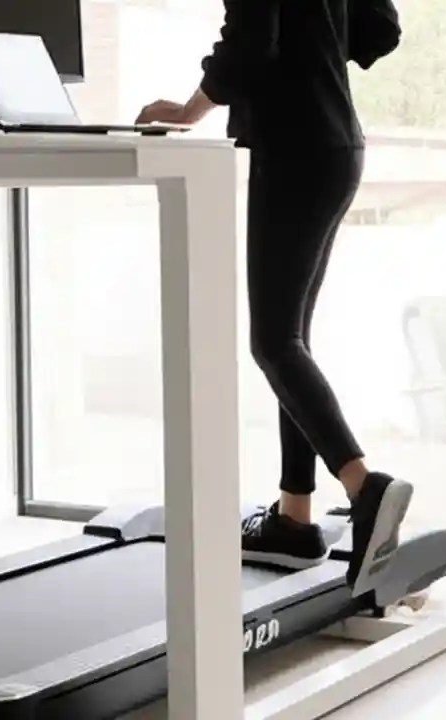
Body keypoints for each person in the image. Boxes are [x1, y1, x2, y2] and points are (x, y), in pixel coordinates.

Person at [136, 0, 408, 595]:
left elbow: (253, 39)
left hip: (295, 147)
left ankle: (366, 487)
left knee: (274, 342)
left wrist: (191, 108)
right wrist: (320, 41)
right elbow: (380, 30)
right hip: (339, 146)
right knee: (292, 341)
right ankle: (293, 515)